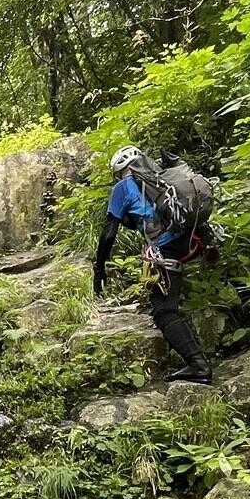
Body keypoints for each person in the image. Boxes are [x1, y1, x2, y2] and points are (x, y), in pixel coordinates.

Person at [90, 145, 216, 384]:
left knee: (164, 311)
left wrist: (99, 269)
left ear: (120, 172)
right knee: (167, 303)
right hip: (188, 241)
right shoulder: (161, 178)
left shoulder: (123, 188)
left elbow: (109, 233)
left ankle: (198, 365)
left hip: (165, 248)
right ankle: (195, 357)